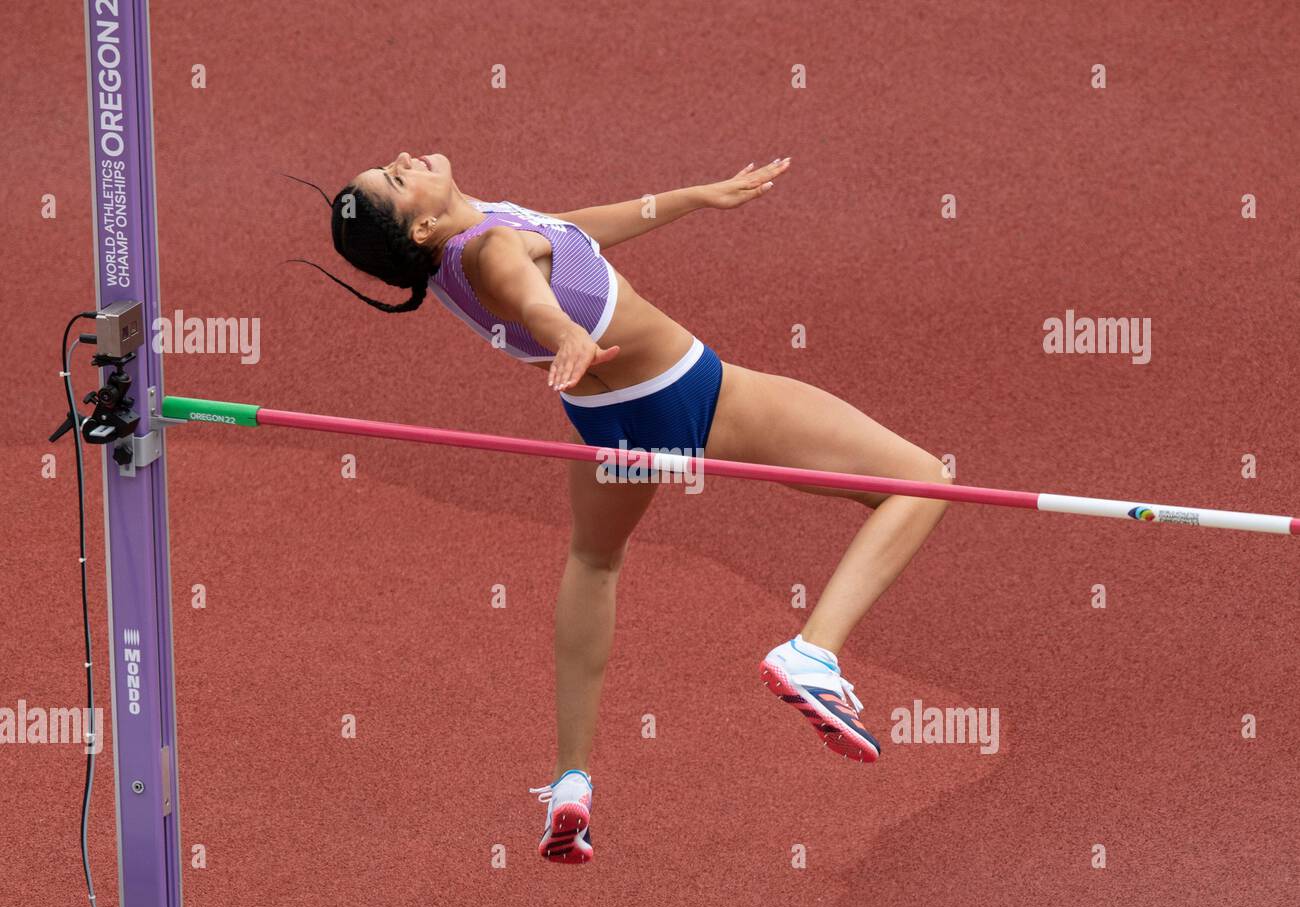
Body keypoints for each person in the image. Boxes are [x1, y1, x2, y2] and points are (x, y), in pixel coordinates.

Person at [293, 151, 950, 863]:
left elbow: (567, 234)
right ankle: (812, 651)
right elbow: (534, 295)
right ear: (422, 224)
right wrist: (567, 335)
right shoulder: (487, 247)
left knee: (595, 560)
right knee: (921, 479)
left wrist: (692, 197)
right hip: (693, 395)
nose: (400, 160)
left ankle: (571, 779)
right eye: (395, 181)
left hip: (606, 419)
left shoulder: (469, 245)